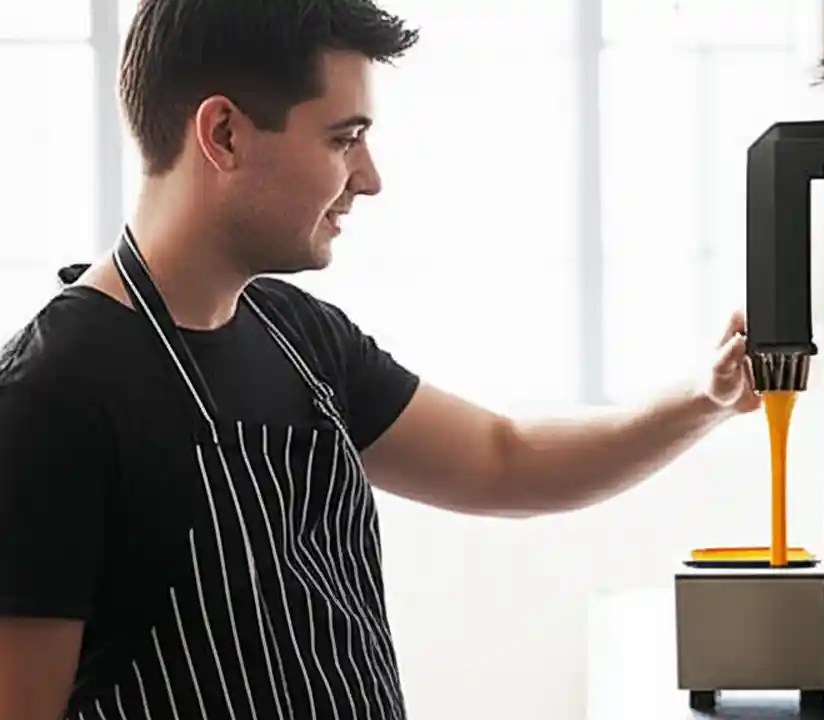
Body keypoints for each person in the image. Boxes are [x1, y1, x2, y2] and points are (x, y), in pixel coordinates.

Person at [0, 1, 760, 718]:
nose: (369, 176)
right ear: (224, 134)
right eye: (343, 137)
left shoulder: (301, 338)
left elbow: (506, 460)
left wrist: (706, 398)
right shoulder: (52, 396)